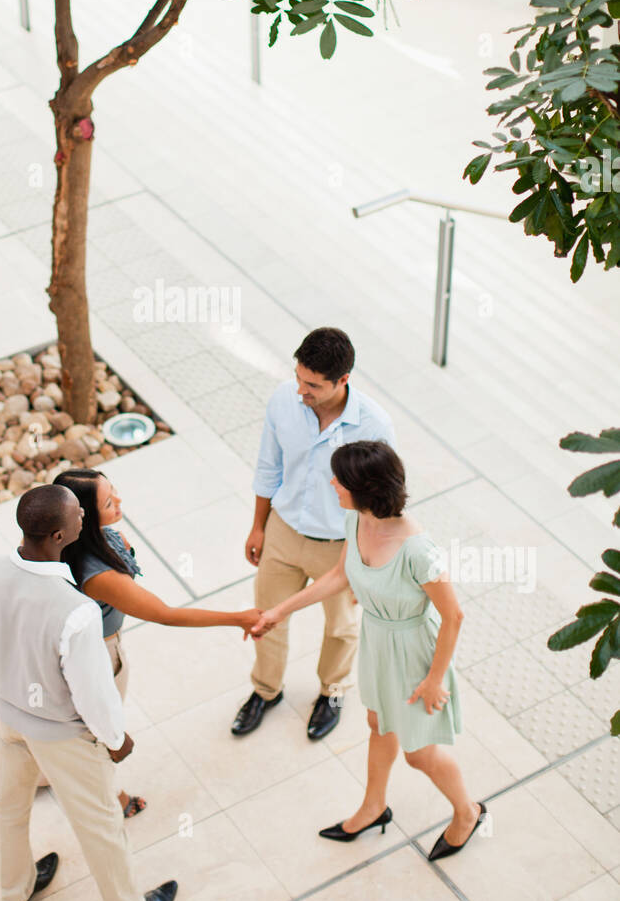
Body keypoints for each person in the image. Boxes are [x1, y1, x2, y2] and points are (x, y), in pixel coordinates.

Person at [0, 483, 177, 901]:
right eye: (77, 518)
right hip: (62, 737)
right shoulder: (77, 612)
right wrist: (116, 739)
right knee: (100, 823)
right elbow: (92, 696)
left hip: (9, 718)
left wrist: (5, 667)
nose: (84, 521)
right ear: (57, 537)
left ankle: (14, 893)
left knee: (9, 808)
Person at [252, 441, 486, 860]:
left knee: (419, 754)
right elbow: (339, 575)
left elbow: (454, 617)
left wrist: (434, 680)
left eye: (340, 479)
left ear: (365, 488)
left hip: (415, 652)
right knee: (378, 724)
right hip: (379, 641)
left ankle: (467, 812)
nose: (333, 484)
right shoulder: (355, 519)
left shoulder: (416, 549)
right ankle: (373, 807)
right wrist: (280, 611)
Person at [53, 467, 262, 814]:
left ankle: (44, 768)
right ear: (85, 519)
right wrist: (238, 618)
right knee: (97, 732)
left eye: (114, 490)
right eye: (108, 501)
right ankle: (111, 798)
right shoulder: (98, 574)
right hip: (100, 654)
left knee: (74, 723)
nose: (119, 500)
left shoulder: (83, 540)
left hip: (87, 646)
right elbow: (165, 614)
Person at [232, 326, 396, 741]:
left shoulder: (375, 426)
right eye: (299, 377)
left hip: (341, 547)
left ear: (343, 380)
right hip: (283, 532)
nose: (301, 390)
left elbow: (381, 503)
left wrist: (370, 563)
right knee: (266, 617)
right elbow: (268, 466)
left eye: (313, 385)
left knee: (341, 627)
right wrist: (258, 525)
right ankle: (265, 690)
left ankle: (332, 691)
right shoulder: (284, 400)